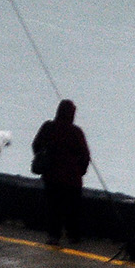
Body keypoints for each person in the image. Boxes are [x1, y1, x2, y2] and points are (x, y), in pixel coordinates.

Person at [31, 100, 91, 245]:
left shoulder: (48, 127)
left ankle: (54, 235)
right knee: (73, 208)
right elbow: (85, 155)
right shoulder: (76, 132)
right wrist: (80, 172)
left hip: (51, 176)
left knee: (53, 207)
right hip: (72, 179)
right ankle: (73, 235)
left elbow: (36, 145)